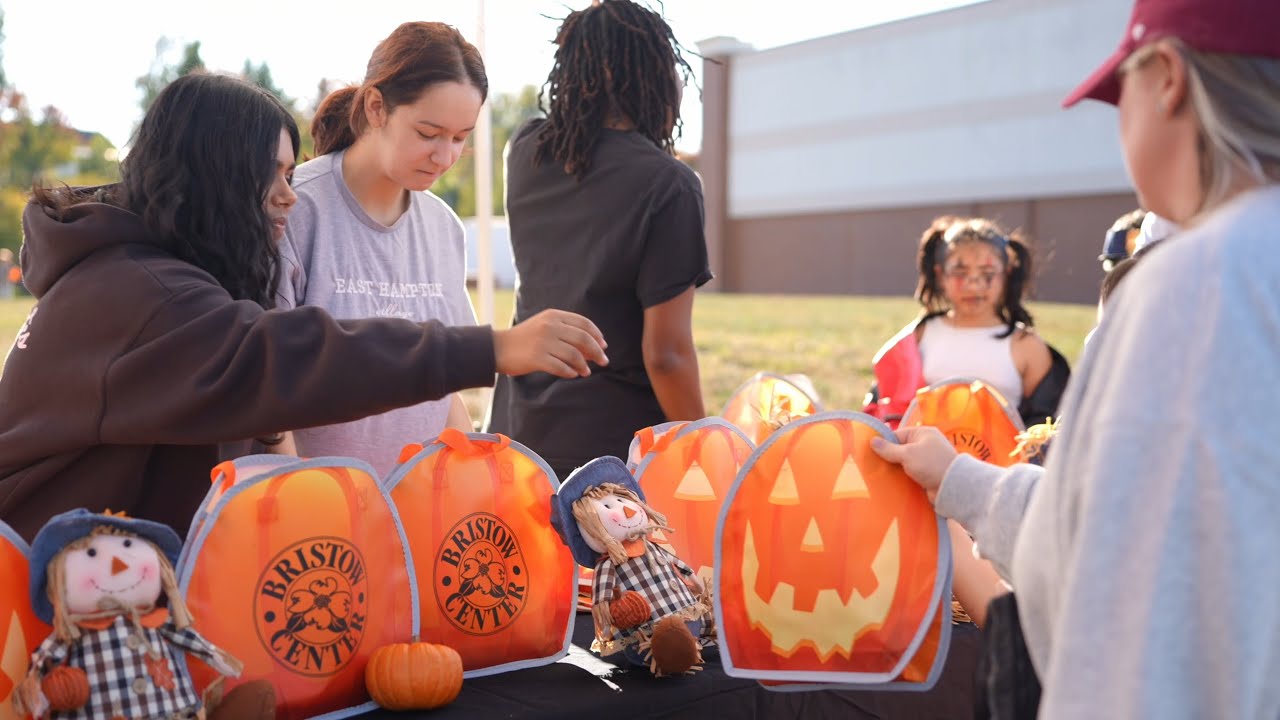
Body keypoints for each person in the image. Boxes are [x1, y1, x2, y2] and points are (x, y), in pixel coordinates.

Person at [872, 0, 1280, 716]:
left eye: (1121, 95)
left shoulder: (1197, 283)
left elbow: (1107, 572)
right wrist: (959, 479)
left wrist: (963, 502)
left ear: (1167, 79)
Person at [0, 73, 608, 542]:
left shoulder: (147, 274)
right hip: (48, 599)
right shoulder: (142, 293)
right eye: (271, 176)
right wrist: (491, 348)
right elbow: (291, 355)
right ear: (215, 177)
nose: (289, 197)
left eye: (292, 175)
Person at [485, 0, 711, 481]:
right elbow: (667, 356)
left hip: (517, 441)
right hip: (614, 462)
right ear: (653, 75)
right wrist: (705, 452)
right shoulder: (670, 184)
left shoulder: (524, 150)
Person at [275, 22, 487, 474]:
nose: (445, 157)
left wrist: (473, 475)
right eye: (428, 133)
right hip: (318, 505)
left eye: (460, 138)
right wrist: (303, 497)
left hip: (420, 503)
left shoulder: (444, 227)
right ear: (376, 107)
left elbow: (444, 388)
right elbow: (266, 387)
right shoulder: (293, 209)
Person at [864, 216, 1069, 427]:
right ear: (940, 275)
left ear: (1007, 274)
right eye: (960, 273)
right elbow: (885, 411)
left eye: (987, 273)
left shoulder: (1027, 346)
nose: (973, 285)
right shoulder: (918, 337)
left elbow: (1046, 425)